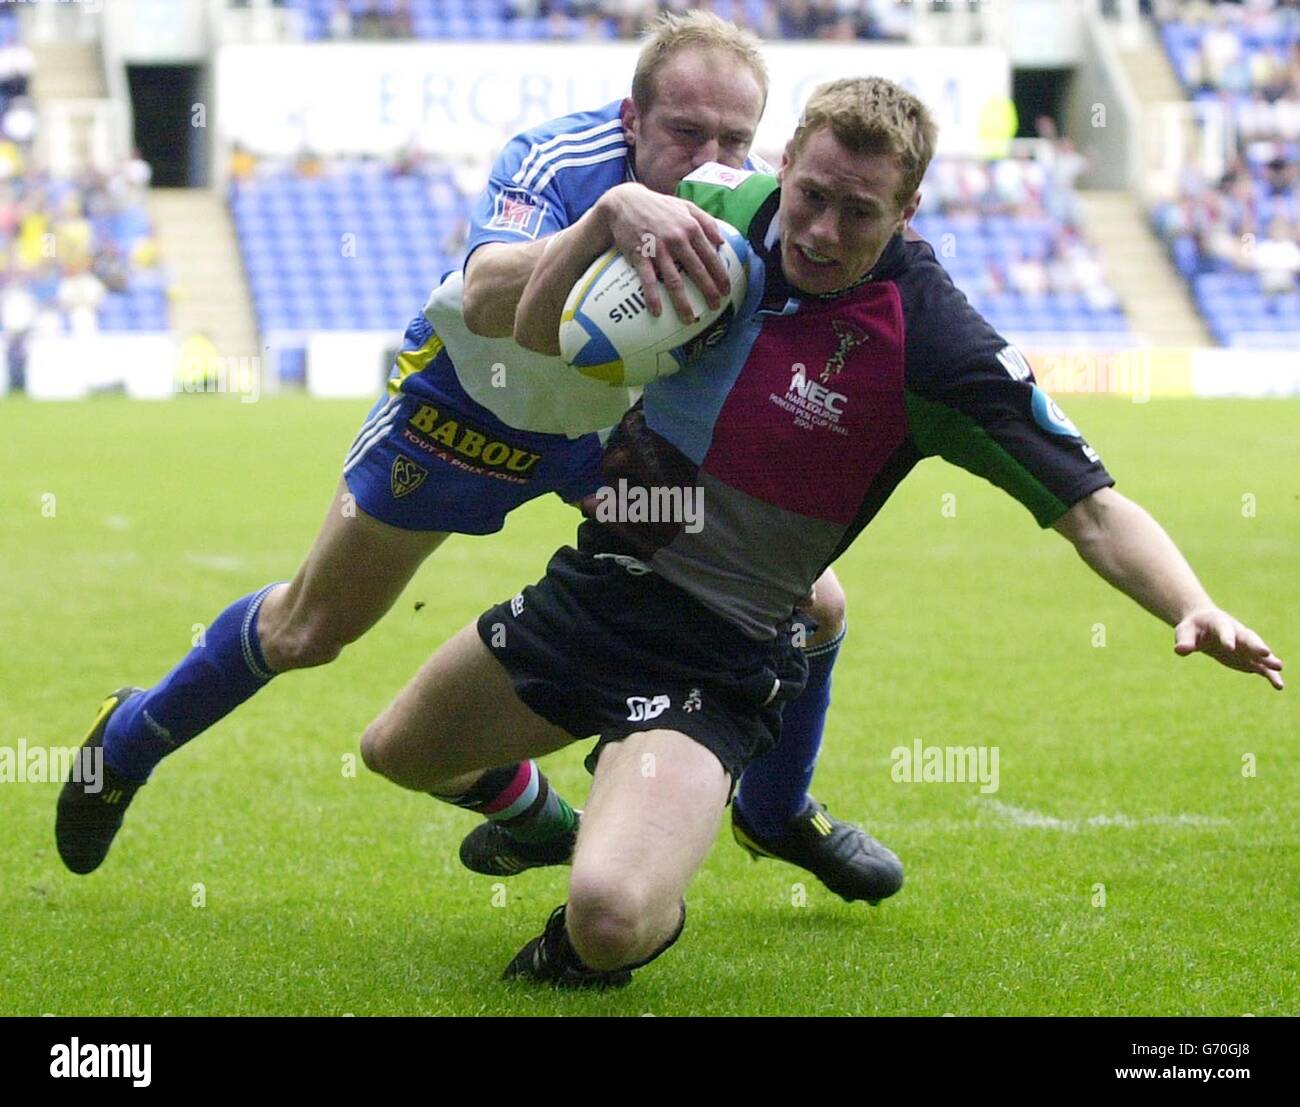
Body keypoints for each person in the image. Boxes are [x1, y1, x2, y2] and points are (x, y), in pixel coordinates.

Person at [360, 75, 1284, 988]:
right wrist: (607, 214)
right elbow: (534, 328)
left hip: (718, 655)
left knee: (609, 915)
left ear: (910, 210)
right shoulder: (710, 212)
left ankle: (593, 923)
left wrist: (1192, 601)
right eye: (810, 196)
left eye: (860, 212)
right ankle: (570, 823)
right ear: (785, 160)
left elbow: (1092, 507)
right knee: (395, 751)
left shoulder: (938, 346)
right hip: (598, 592)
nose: (820, 233)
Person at [56, 13, 902, 908]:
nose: (709, 157)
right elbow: (491, 291)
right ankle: (126, 746)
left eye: (734, 137)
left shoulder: (757, 199)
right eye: (686, 132)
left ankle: (777, 811)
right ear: (631, 120)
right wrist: (605, 223)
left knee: (815, 598)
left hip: (603, 442)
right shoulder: (554, 161)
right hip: (461, 417)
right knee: (310, 629)